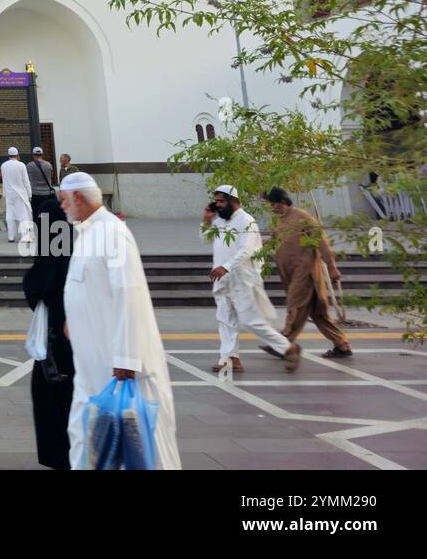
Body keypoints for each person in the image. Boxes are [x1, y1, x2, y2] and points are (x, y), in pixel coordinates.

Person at [60, 172, 180, 470]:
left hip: (118, 366)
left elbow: (130, 292)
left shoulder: (112, 232)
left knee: (142, 441)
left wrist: (126, 356)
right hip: (91, 363)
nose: (61, 207)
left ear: (77, 197)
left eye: (63, 200)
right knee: (82, 433)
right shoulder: (88, 232)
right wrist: (73, 319)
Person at [202, 186, 296, 374]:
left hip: (242, 278)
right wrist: (206, 220)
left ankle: (287, 348)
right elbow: (206, 238)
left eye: (221, 201)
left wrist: (225, 267)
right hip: (222, 279)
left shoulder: (247, 221)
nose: (217, 205)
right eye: (216, 202)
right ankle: (230, 358)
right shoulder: (220, 220)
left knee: (250, 319)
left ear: (233, 201)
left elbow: (247, 251)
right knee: (225, 319)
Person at [264, 187, 353, 362]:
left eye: (273, 204)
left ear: (282, 202)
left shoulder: (303, 217)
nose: (272, 208)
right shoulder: (281, 221)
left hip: (305, 272)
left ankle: (284, 344)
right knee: (318, 312)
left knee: (294, 303)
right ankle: (342, 344)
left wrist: (332, 267)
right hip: (290, 273)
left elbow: (322, 241)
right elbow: (272, 240)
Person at [22, 184, 74, 469]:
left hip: (57, 340)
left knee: (54, 398)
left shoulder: (53, 259)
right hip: (62, 337)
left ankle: (61, 456)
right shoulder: (67, 248)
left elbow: (38, 286)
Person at [0, 147, 33, 244]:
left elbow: (4, 180)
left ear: (8, 155)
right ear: (17, 155)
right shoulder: (21, 165)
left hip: (9, 194)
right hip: (21, 194)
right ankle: (25, 237)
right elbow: (26, 181)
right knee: (23, 216)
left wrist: (5, 193)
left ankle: (11, 237)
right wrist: (29, 194)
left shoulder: (3, 165)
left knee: (10, 215)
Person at [26, 146, 58, 217]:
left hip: (35, 193)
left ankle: (38, 226)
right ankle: (45, 226)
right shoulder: (49, 165)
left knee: (36, 212)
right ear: (42, 154)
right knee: (45, 212)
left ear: (33, 155)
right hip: (47, 193)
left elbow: (27, 178)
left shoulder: (29, 165)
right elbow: (51, 176)